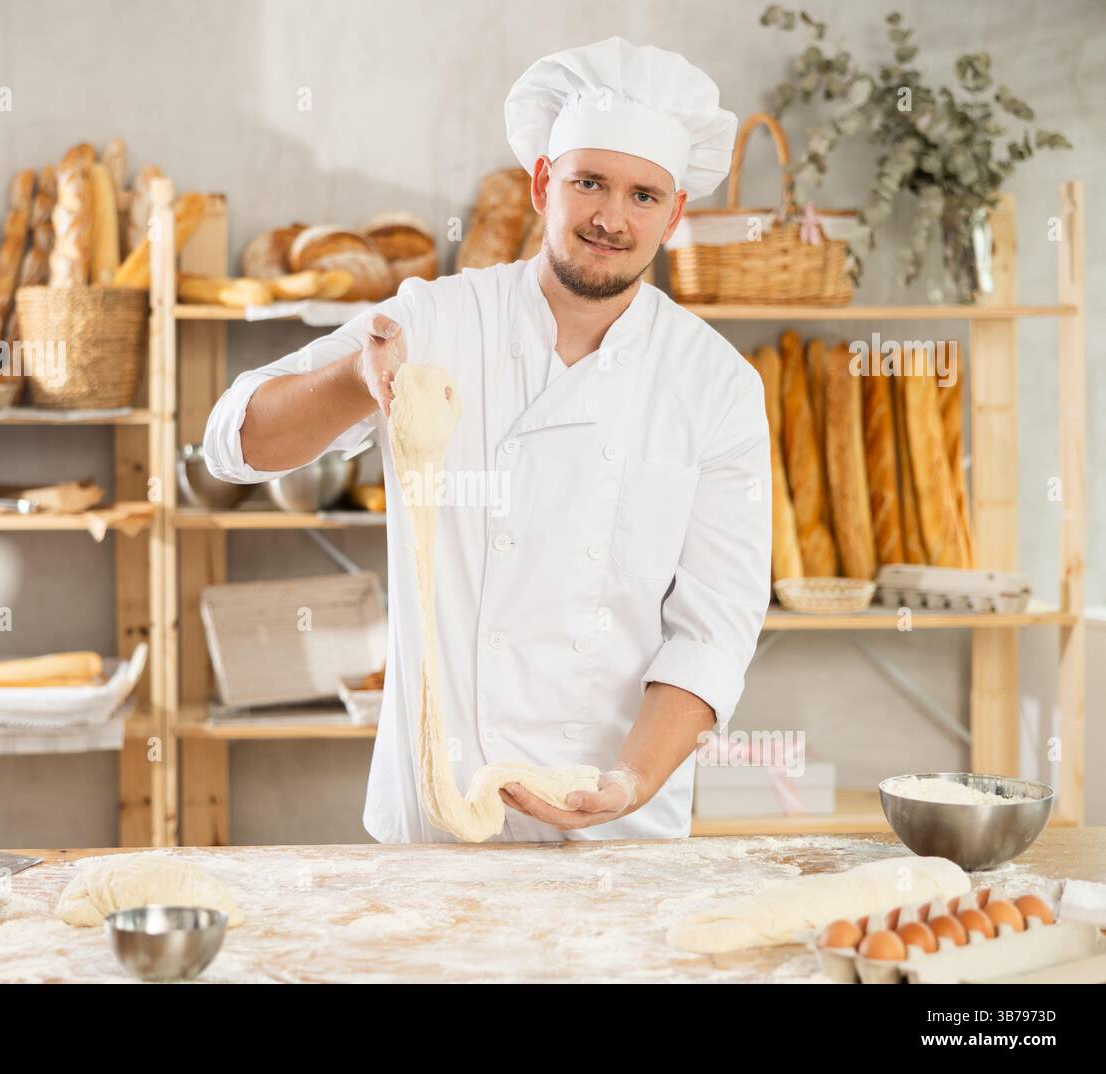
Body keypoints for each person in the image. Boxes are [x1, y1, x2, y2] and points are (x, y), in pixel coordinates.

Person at [203, 37, 772, 842]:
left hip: (612, 836)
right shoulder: (436, 319)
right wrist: (352, 384)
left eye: (645, 195)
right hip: (437, 818)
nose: (612, 217)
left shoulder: (716, 383)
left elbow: (715, 627)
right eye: (588, 183)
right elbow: (232, 442)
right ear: (544, 183)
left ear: (675, 213)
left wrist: (633, 780)